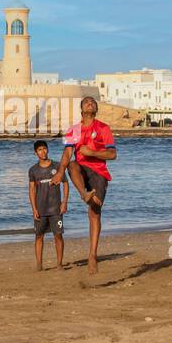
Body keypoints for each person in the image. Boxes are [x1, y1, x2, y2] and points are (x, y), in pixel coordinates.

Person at [52, 96, 116, 273]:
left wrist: (92, 152)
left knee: (94, 213)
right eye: (87, 102)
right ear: (81, 109)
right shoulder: (74, 130)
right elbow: (67, 154)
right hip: (80, 170)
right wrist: (58, 172)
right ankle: (83, 193)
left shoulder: (103, 128)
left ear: (96, 109)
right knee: (72, 164)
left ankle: (92, 255)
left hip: (99, 173)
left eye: (93, 102)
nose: (90, 103)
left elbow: (112, 154)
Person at [28, 139, 68, 271]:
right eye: (39, 150)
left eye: (44, 148)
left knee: (58, 235)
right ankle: (39, 264)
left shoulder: (57, 166)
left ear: (47, 149)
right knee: (39, 236)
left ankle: (59, 264)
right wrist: (34, 209)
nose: (43, 151)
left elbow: (65, 184)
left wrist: (64, 202)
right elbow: (32, 190)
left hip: (55, 208)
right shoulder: (33, 170)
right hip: (40, 209)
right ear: (35, 153)